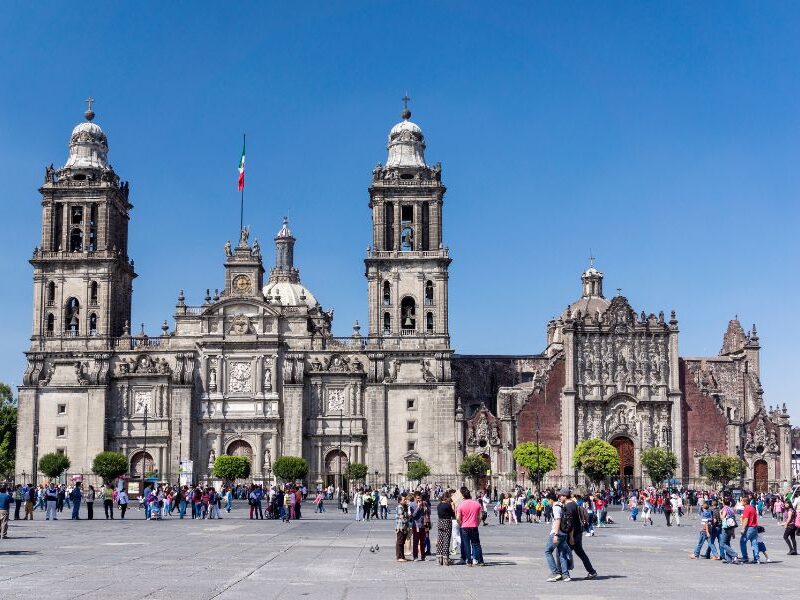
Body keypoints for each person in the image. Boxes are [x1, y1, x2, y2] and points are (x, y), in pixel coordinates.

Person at [565, 491, 597, 579]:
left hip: (574, 533)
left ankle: (564, 573)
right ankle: (591, 571)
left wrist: (571, 536)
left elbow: (571, 523)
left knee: (564, 553)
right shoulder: (577, 504)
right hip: (579, 532)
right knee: (580, 553)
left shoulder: (571, 506)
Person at [544, 488, 572, 582]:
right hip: (564, 533)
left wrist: (555, 534)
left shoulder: (555, 507)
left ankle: (555, 572)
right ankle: (565, 574)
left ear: (551, 500)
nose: (547, 502)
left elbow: (558, 520)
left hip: (558, 533)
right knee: (562, 554)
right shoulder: (561, 505)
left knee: (548, 551)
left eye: (547, 501)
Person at [456, 487, 485, 566]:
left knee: (466, 544)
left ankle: (468, 561)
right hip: (474, 526)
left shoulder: (460, 505)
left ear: (463, 496)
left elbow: (458, 518)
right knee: (476, 544)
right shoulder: (477, 504)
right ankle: (480, 560)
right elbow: (481, 516)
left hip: (464, 527)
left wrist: (460, 524)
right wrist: (477, 523)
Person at [436, 491, 455, 566]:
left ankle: (439, 559)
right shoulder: (448, 505)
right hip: (447, 523)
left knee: (440, 541)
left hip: (440, 522)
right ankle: (445, 560)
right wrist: (453, 507)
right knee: (446, 541)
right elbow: (453, 515)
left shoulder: (439, 505)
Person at [740, 495, 760, 563]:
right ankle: (756, 558)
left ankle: (745, 557)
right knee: (754, 543)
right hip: (754, 527)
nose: (741, 502)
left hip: (749, 527)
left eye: (742, 501)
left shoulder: (746, 508)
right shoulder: (752, 507)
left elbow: (746, 519)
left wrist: (743, 528)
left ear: (745, 502)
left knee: (742, 541)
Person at [395, 494, 410, 562]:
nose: (406, 501)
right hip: (400, 527)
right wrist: (408, 519)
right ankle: (399, 557)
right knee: (400, 542)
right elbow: (402, 517)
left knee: (403, 542)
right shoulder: (399, 507)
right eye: (404, 500)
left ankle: (402, 556)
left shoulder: (404, 507)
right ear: (400, 501)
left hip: (404, 527)